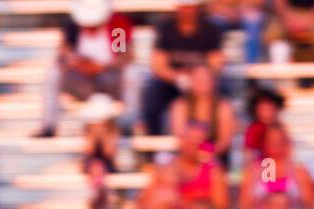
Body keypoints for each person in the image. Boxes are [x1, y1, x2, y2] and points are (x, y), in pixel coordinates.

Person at [40, 0, 139, 136]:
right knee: (53, 73)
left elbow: (123, 57)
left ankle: (128, 125)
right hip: (81, 81)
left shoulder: (117, 25)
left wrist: (100, 67)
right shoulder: (72, 26)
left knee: (132, 73)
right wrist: (76, 62)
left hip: (109, 79)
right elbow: (62, 54)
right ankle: (48, 127)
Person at [141, 0, 225, 135]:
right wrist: (177, 77)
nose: (188, 11)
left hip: (202, 80)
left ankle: (213, 141)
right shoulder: (166, 29)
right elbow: (158, 64)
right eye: (185, 8)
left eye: (191, 8)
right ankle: (153, 140)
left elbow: (216, 63)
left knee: (221, 94)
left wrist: (198, 78)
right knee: (152, 93)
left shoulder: (210, 29)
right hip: (172, 81)